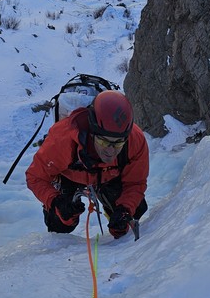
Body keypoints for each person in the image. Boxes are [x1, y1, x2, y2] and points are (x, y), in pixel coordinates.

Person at [25, 89, 148, 239]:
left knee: (133, 214)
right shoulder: (62, 140)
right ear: (92, 131)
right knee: (59, 223)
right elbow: (35, 176)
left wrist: (125, 209)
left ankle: (115, 219)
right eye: (103, 141)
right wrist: (55, 200)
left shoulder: (135, 141)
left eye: (118, 143)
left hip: (108, 176)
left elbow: (135, 183)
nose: (110, 151)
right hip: (69, 175)